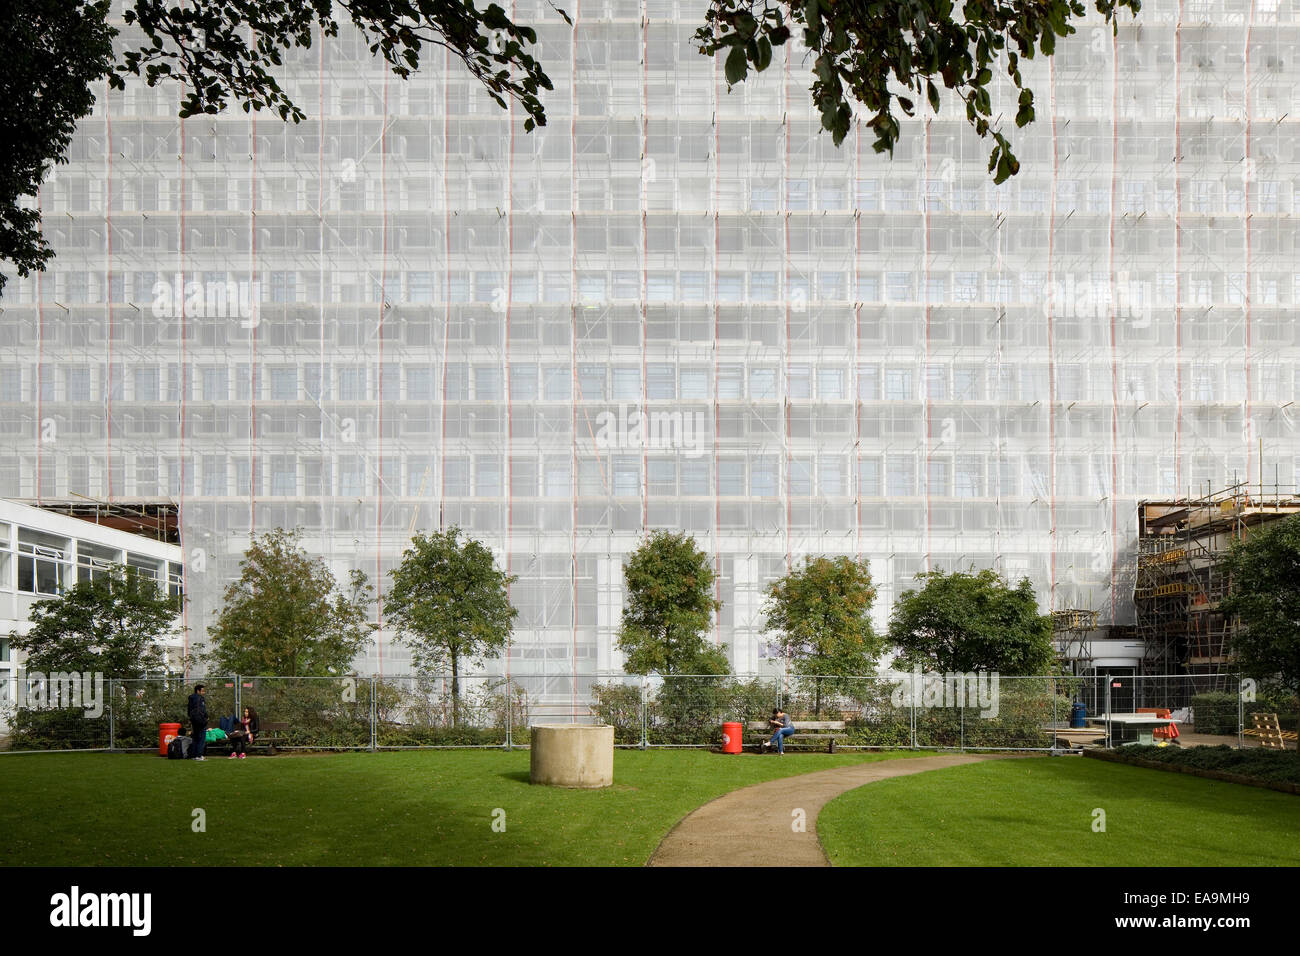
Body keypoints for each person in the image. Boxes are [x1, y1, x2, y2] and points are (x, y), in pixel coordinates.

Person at [187, 683, 208, 761]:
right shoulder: (200, 699)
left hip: (193, 720)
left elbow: (189, 710)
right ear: (198, 691)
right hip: (200, 721)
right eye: (202, 691)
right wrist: (205, 718)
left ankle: (194, 755)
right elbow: (202, 710)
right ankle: (199, 755)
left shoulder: (191, 699)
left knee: (195, 737)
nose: (204, 693)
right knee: (201, 738)